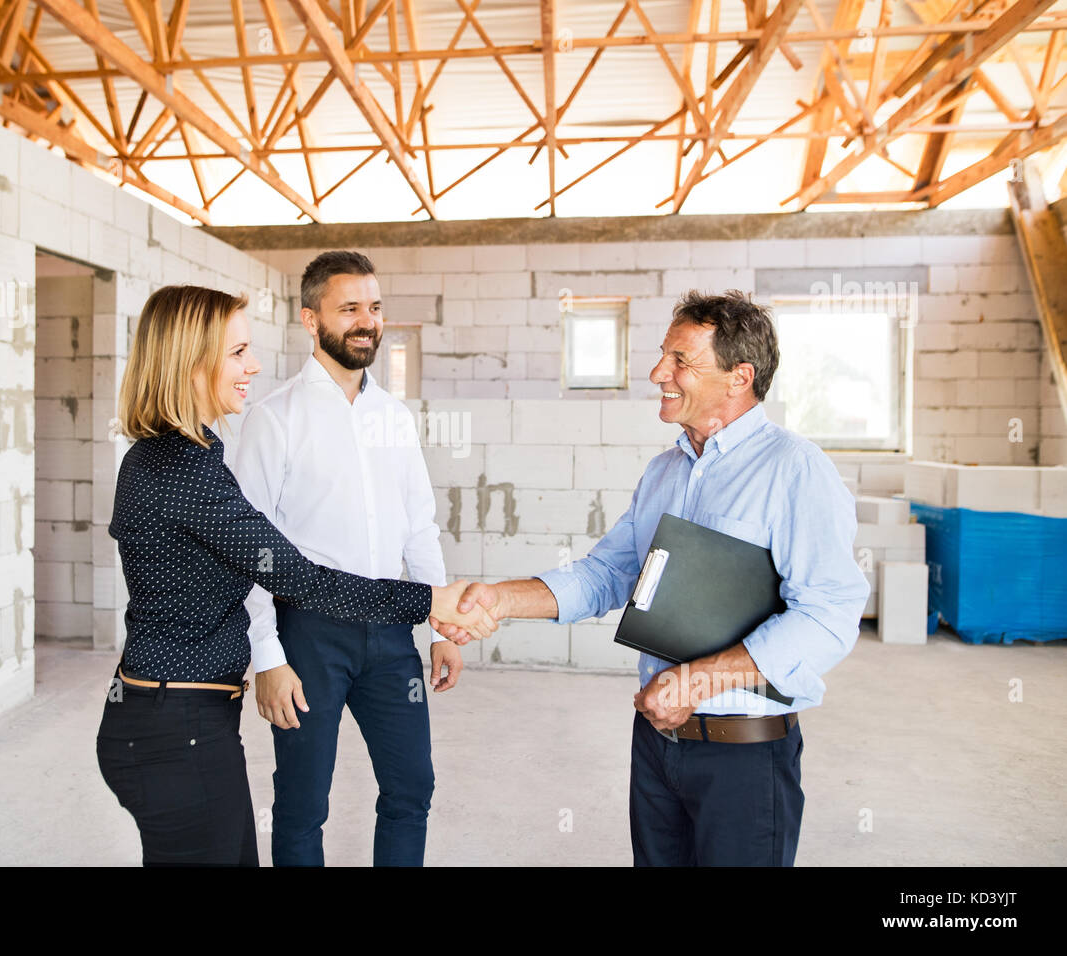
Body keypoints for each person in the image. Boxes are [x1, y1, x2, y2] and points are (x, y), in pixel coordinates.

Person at [433, 290, 869, 866]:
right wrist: (499, 598)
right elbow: (609, 574)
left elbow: (829, 613)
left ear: (740, 376)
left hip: (742, 756)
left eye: (680, 361)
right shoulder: (666, 470)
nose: (658, 372)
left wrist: (696, 682)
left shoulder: (795, 469)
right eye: (663, 355)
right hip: (658, 744)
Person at [96, 284, 496, 867]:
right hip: (174, 729)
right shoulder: (186, 470)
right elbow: (304, 579)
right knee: (292, 811)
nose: (252, 365)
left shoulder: (175, 456)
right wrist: (432, 601)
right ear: (190, 359)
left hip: (178, 718)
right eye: (237, 352)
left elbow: (404, 529)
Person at [233, 251, 459, 868]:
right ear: (311, 320)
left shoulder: (395, 418)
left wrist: (442, 626)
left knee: (412, 787)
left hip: (391, 635)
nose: (367, 322)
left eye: (376, 307)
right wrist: (268, 658)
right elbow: (249, 552)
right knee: (303, 804)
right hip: (309, 639)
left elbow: (419, 527)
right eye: (350, 308)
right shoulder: (273, 419)